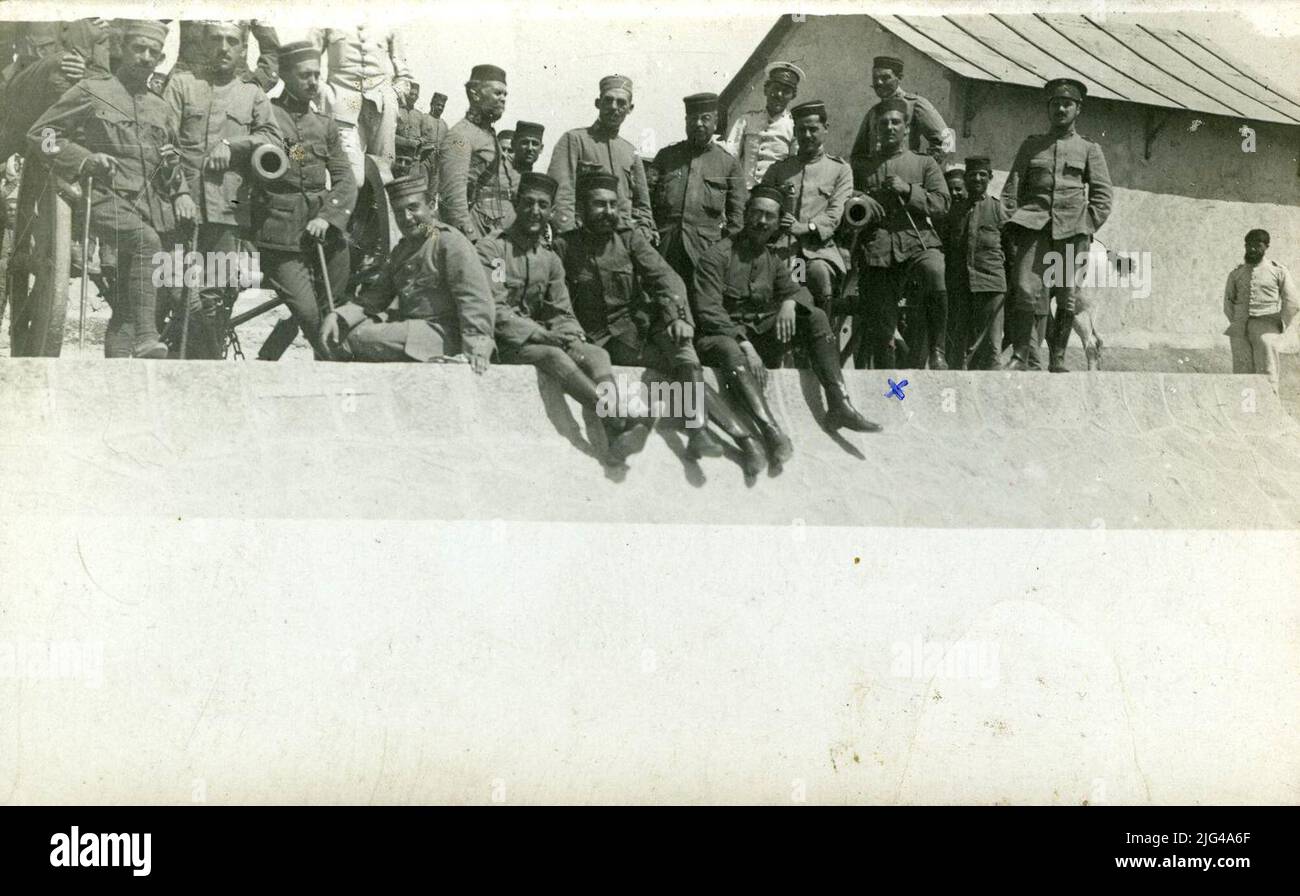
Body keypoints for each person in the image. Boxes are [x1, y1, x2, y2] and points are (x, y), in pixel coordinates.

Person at [557, 170, 767, 471]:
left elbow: (668, 279)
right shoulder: (565, 247)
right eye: (600, 205)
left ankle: (705, 433)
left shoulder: (630, 240)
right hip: (601, 341)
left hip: (638, 330)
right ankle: (743, 440)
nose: (609, 212)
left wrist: (678, 317)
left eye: (614, 205)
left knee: (682, 351)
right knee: (679, 375)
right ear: (581, 209)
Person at [27, 19, 188, 358]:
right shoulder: (91, 90)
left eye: (153, 53)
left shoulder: (160, 107)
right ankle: (148, 337)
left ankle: (115, 375)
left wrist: (172, 168)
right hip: (102, 197)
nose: (144, 57)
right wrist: (85, 158)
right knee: (146, 243)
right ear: (121, 50)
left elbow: (168, 167)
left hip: (150, 208)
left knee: (128, 308)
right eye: (138, 49)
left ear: (160, 60)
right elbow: (41, 133)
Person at [691, 185, 880, 466]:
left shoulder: (773, 260)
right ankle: (771, 432)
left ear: (778, 222)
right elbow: (708, 313)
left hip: (757, 340)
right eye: (756, 213)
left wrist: (790, 303)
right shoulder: (717, 256)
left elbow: (796, 289)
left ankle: (839, 403)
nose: (762, 222)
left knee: (815, 317)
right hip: (719, 340)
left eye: (769, 216)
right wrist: (744, 343)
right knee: (731, 348)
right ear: (745, 215)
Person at [475, 172, 642, 464]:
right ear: (516, 203)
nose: (535, 212)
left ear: (552, 211)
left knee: (596, 353)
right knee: (552, 354)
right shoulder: (497, 251)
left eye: (543, 205)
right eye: (528, 203)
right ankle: (614, 416)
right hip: (505, 339)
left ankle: (614, 434)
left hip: (543, 336)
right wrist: (544, 335)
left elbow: (560, 309)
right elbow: (497, 309)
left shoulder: (549, 259)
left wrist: (572, 335)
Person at [164, 21, 282, 359]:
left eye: (232, 41)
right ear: (203, 44)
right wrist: (179, 192)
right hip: (180, 211)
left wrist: (234, 145)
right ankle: (180, 355)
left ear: (244, 49)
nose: (224, 47)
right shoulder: (182, 86)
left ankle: (206, 364)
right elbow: (162, 144)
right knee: (177, 290)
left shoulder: (252, 94)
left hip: (227, 211)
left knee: (215, 296)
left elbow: (274, 140)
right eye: (216, 39)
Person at [249, 41, 357, 362]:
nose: (313, 82)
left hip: (327, 236)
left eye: (317, 75)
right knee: (310, 315)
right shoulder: (265, 115)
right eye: (305, 75)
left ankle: (310, 370)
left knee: (334, 312)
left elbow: (345, 178)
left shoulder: (325, 125)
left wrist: (328, 216)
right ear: (284, 74)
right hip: (280, 236)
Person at [321, 173, 495, 367]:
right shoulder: (401, 251)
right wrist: (339, 315)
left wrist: (475, 350)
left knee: (358, 337)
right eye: (398, 212)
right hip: (414, 333)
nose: (407, 218)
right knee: (338, 334)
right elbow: (374, 298)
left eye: (413, 208)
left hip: (444, 334)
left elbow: (474, 299)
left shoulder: (449, 242)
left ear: (430, 206)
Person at [1001, 77, 1112, 372]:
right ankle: (1020, 355)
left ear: (1078, 109)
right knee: (1025, 289)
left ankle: (1058, 358)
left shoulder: (1089, 149)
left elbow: (1102, 196)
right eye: (1055, 104)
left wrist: (1087, 225)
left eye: (1067, 104)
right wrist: (1012, 222)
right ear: (1048, 108)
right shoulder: (1032, 145)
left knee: (1067, 294)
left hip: (1072, 231)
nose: (1060, 109)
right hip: (1033, 228)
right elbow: (1012, 187)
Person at [852, 97, 950, 370]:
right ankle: (886, 375)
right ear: (876, 130)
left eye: (896, 122)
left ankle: (937, 350)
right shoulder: (862, 167)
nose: (890, 127)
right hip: (878, 248)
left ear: (907, 128)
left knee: (934, 269)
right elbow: (848, 198)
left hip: (917, 240)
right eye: (884, 123)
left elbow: (942, 203)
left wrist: (908, 190)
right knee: (882, 325)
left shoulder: (925, 164)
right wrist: (860, 198)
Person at [761, 99, 853, 318]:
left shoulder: (839, 170)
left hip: (818, 250)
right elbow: (762, 204)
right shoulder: (779, 170)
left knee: (816, 273)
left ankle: (824, 335)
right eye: (802, 130)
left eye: (813, 129)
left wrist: (805, 228)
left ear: (825, 129)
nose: (808, 135)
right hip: (781, 247)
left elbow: (833, 215)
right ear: (795, 131)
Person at [651, 92, 745, 296]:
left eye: (706, 118)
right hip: (665, 247)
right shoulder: (666, 157)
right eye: (693, 118)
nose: (699, 124)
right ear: (686, 121)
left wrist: (722, 252)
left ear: (716, 122)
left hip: (705, 252)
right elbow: (646, 204)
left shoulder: (729, 164)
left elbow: (737, 219)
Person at [547, 75, 655, 242]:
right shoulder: (574, 140)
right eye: (608, 100)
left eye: (621, 103)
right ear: (598, 103)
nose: (614, 107)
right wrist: (569, 237)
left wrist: (642, 232)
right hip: (584, 238)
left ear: (630, 108)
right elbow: (561, 194)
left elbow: (643, 205)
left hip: (623, 241)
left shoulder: (630, 152)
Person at [310, 25, 412, 182]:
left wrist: (393, 95)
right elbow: (308, 60)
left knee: (383, 175)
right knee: (351, 177)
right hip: (342, 105)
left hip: (382, 106)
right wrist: (324, 92)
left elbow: (404, 74)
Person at [437, 63, 515, 242]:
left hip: (499, 230)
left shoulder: (488, 135)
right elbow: (452, 199)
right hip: (479, 234)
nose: (503, 99)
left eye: (505, 94)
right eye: (497, 93)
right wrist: (470, 243)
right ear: (475, 94)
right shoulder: (461, 135)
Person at [943, 157, 1008, 370]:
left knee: (991, 351)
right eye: (972, 174)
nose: (977, 178)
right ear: (966, 178)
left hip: (991, 287)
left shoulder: (1000, 211)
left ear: (990, 177)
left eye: (982, 174)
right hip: (960, 288)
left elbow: (1012, 252)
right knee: (956, 350)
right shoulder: (953, 212)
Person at [1223, 229, 1298, 389]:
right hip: (1239, 329)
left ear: (1266, 246)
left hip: (1266, 328)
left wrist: (1280, 325)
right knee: (1242, 375)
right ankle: (1246, 412)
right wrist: (1238, 320)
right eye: (1248, 245)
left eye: (1258, 245)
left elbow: (1292, 302)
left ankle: (1269, 412)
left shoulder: (1278, 271)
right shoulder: (1236, 274)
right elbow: (1228, 303)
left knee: (1267, 372)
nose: (1252, 249)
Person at [849, 55, 955, 165]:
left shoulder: (915, 104)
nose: (879, 82)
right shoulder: (873, 112)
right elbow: (858, 153)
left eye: (885, 78)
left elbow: (947, 140)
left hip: (906, 178)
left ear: (899, 78)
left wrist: (922, 170)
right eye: (875, 78)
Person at [724, 61, 803, 190]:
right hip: (745, 192)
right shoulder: (746, 120)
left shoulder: (794, 126)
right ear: (766, 89)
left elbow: (794, 166)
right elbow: (730, 157)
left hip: (774, 196)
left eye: (786, 91)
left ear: (793, 96)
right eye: (775, 88)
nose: (779, 95)